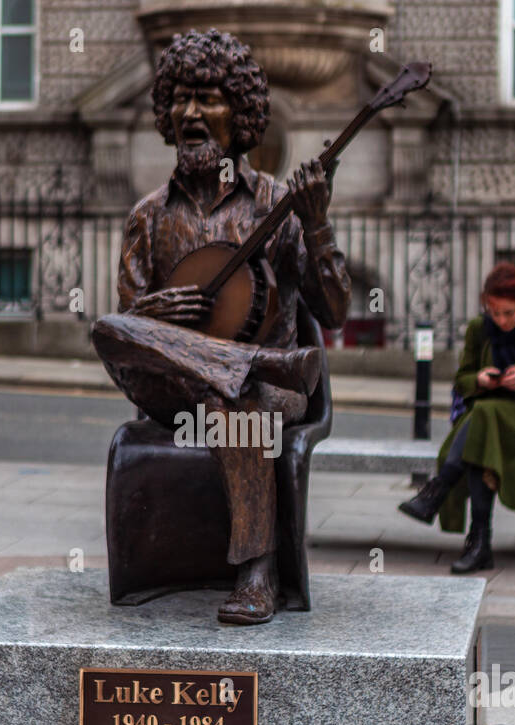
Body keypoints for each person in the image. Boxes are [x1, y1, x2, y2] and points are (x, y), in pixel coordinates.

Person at [91, 29, 351, 625]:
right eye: (180, 99)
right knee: (107, 326)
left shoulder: (275, 205)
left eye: (207, 99)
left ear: (241, 113)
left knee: (232, 402)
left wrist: (317, 227)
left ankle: (257, 574)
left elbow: (334, 312)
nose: (190, 113)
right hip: (174, 389)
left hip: (262, 398)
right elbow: (128, 340)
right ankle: (250, 364)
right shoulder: (148, 217)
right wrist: (155, 314)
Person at [398, 261, 515, 572]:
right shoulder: (480, 330)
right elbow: (462, 380)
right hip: (484, 425)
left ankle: (438, 489)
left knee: (484, 415)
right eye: (495, 312)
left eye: (509, 313)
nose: (502, 320)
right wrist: (479, 379)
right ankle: (479, 545)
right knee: (484, 426)